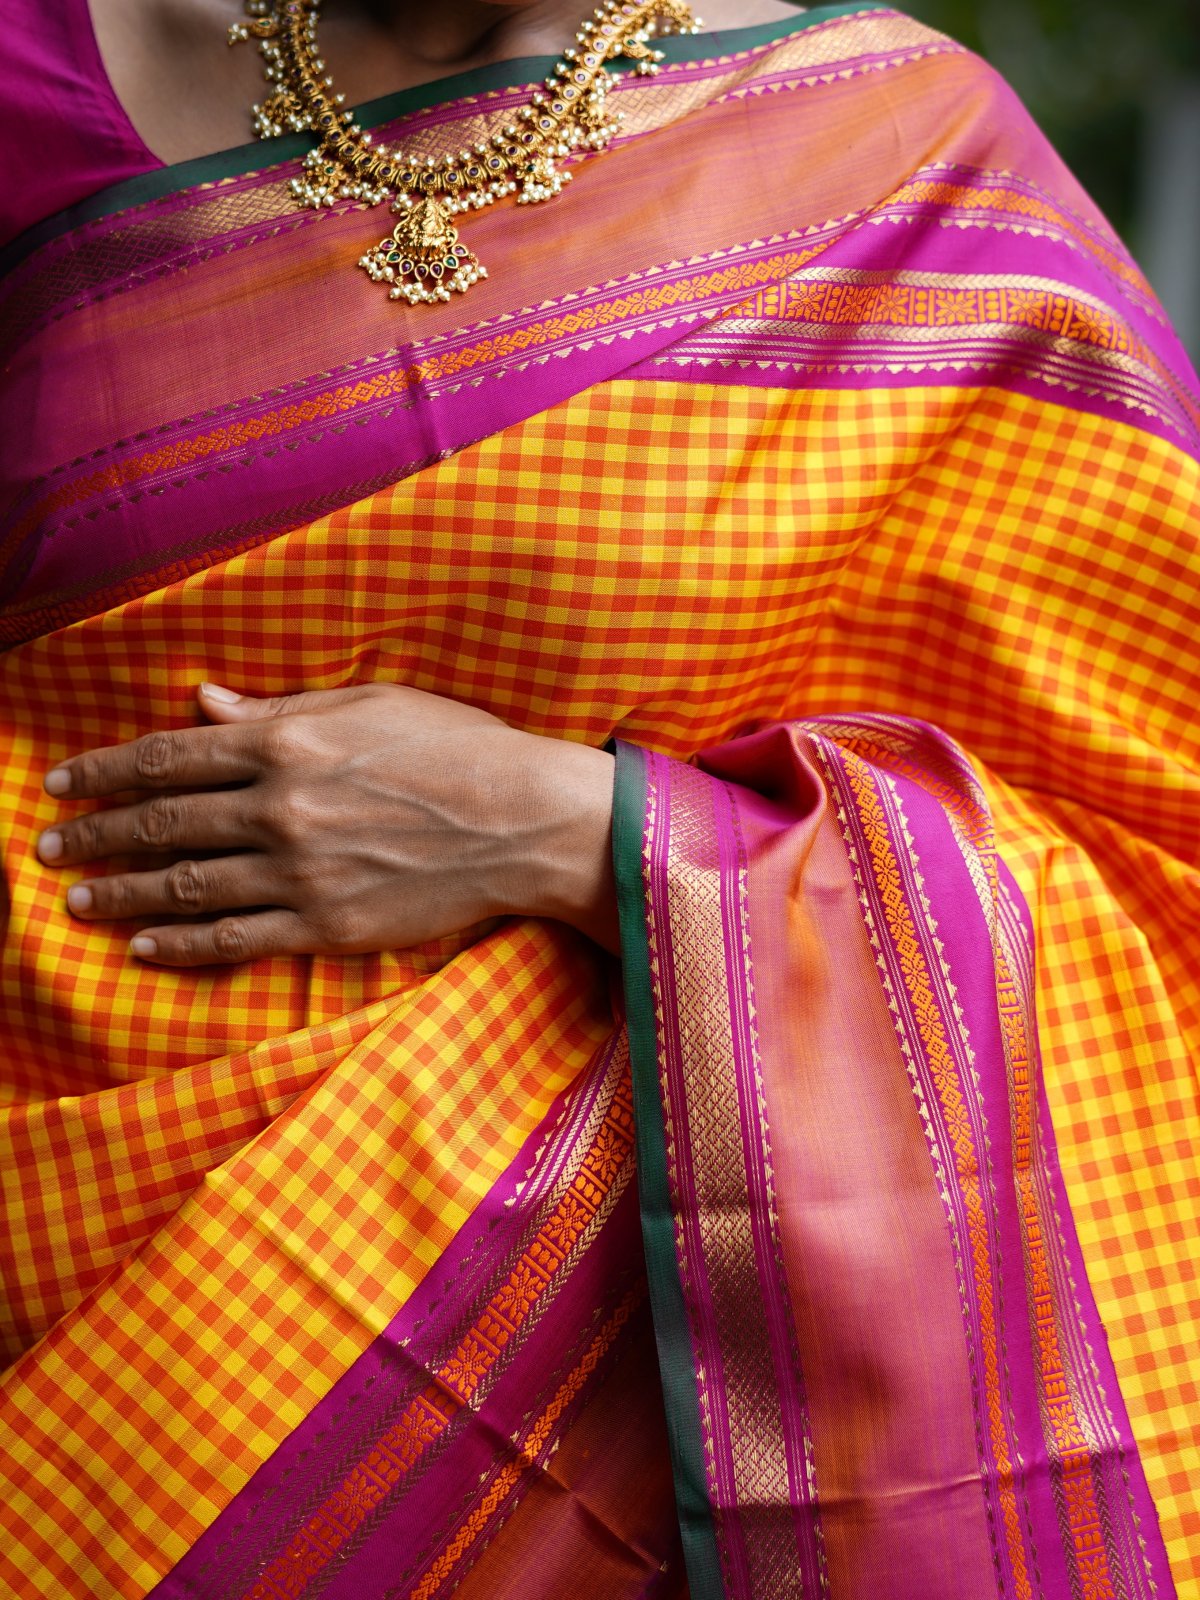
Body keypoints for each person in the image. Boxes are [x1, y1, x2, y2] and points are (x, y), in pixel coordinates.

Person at [1, 1, 1197, 1596]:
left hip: (580, 1414)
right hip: (47, 1254)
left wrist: (578, 831)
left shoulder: (906, 171)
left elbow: (1153, 862)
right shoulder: (36, 70)